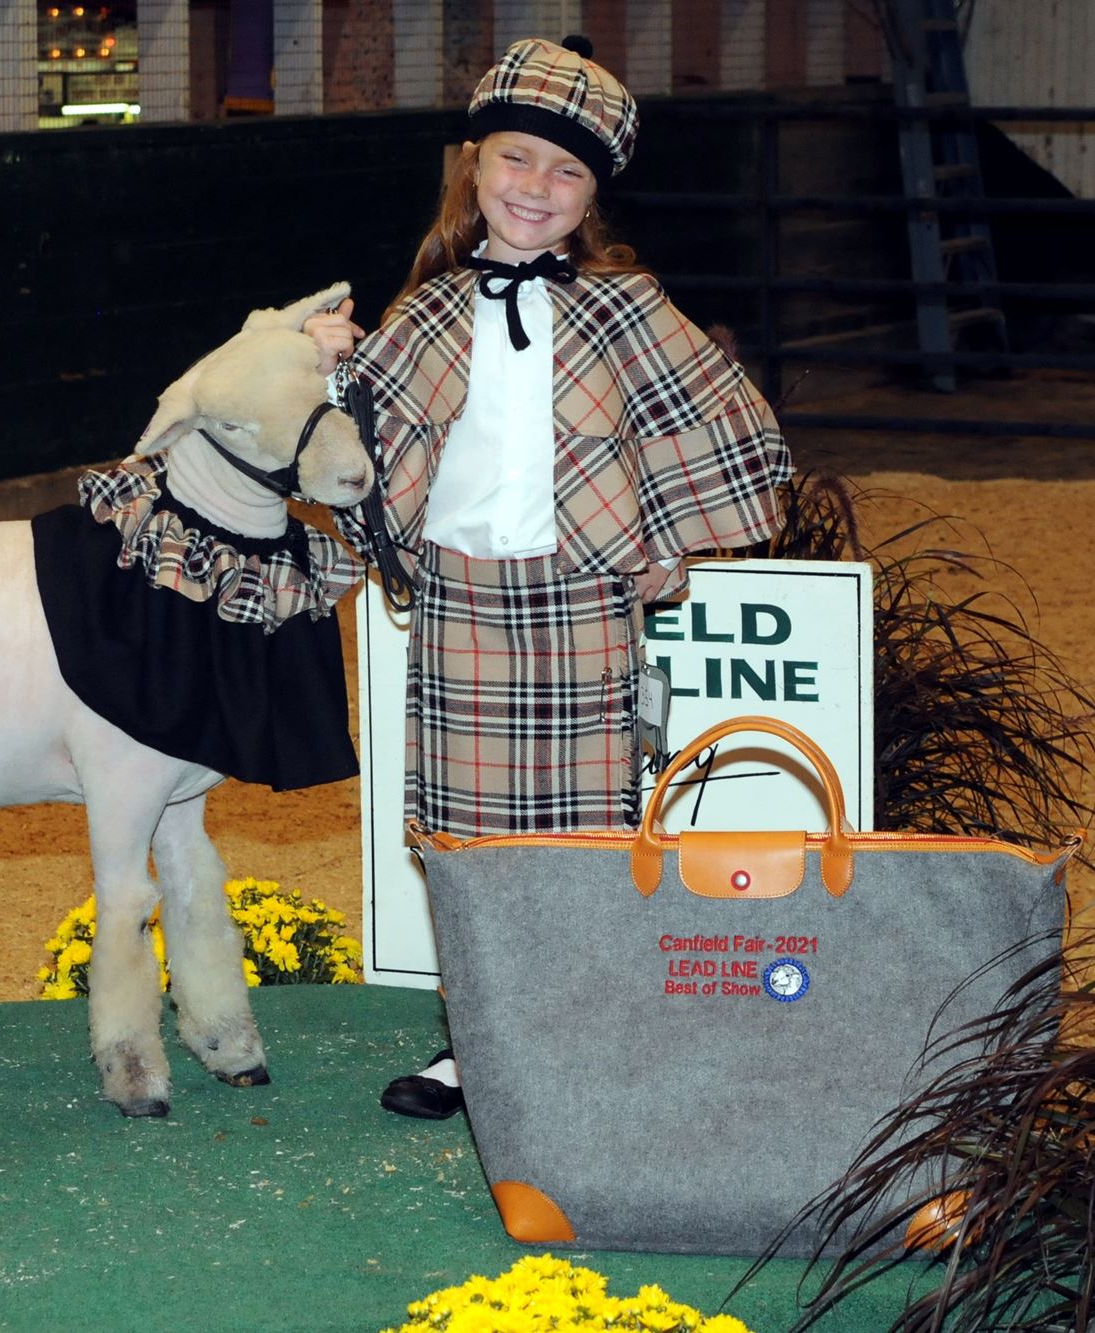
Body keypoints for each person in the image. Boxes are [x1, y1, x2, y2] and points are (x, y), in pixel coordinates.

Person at [303, 35, 793, 1119]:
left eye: (565, 171)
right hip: (460, 603)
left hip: (582, 605)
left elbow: (724, 422)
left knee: (580, 838)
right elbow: (352, 435)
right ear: (472, 167)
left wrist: (662, 540)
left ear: (591, 193)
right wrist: (325, 360)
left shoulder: (626, 308)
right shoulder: (428, 310)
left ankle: (581, 1038)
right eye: (516, 160)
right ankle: (474, 1046)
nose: (535, 188)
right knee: (468, 845)